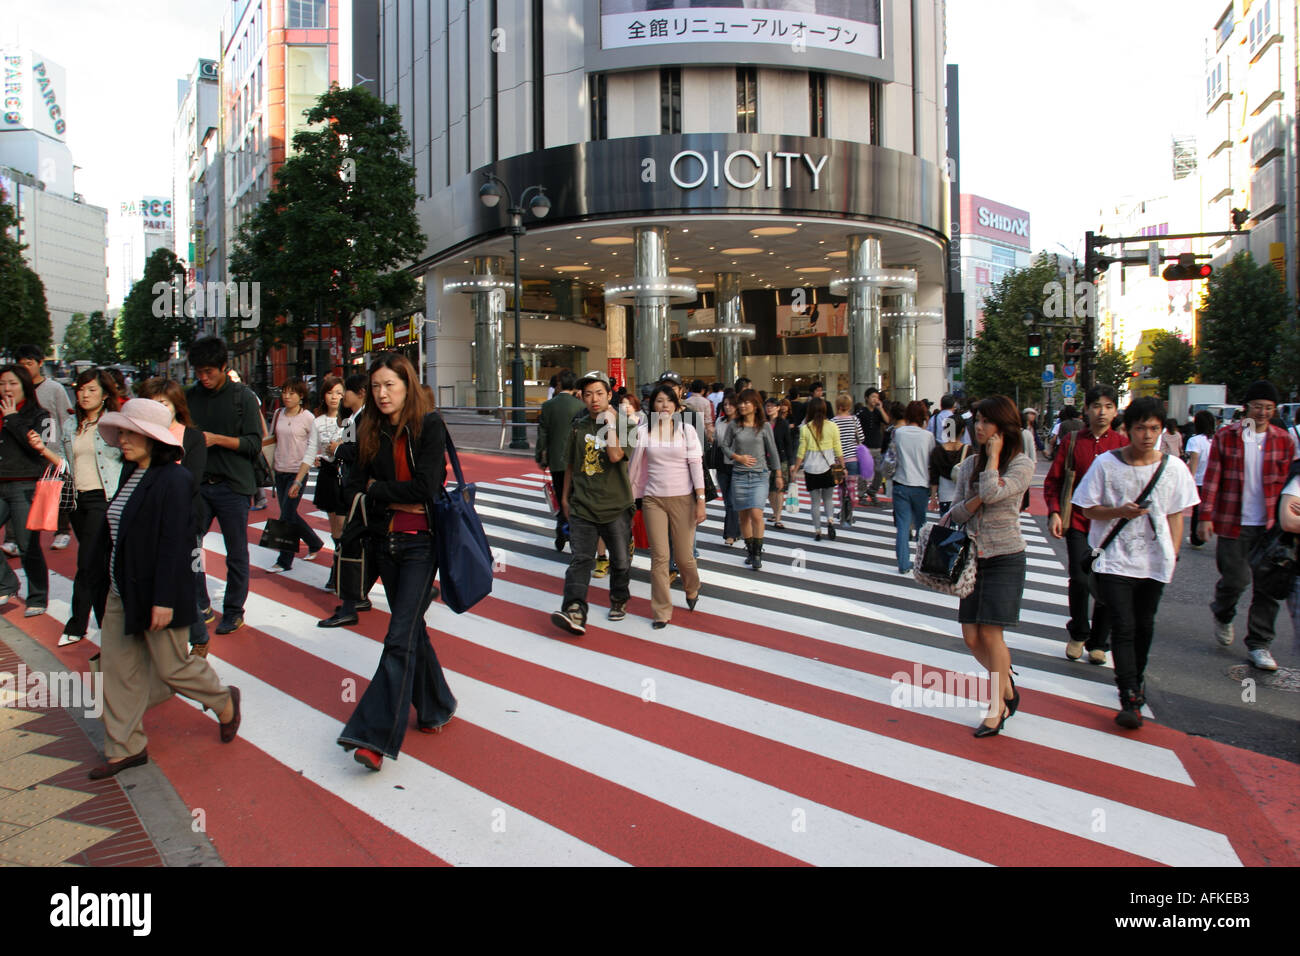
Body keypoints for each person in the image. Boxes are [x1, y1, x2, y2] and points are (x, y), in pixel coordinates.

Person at [88, 398, 240, 779]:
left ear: (151, 438)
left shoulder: (175, 479)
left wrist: (164, 600)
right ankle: (126, 748)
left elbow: (177, 543)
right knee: (117, 670)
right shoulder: (131, 474)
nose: (121, 439)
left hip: (158, 591)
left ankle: (223, 701)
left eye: (129, 432)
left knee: (174, 667)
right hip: (121, 589)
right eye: (120, 431)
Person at [336, 354, 457, 772]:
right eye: (375, 386)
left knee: (397, 636)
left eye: (390, 384)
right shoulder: (368, 426)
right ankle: (436, 704)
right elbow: (350, 484)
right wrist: (383, 491)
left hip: (422, 544)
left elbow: (426, 487)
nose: (382, 393)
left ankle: (372, 736)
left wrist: (376, 489)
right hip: (384, 543)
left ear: (407, 385)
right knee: (411, 631)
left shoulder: (429, 425)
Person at [1073, 397, 1199, 729]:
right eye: (1140, 427)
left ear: (1162, 430)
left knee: (1145, 625)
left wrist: (1172, 554)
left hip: (1154, 562)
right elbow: (1087, 509)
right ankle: (1129, 694)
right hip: (1114, 559)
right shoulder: (1106, 465)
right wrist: (1120, 512)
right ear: (1127, 429)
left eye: (1154, 428)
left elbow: (1175, 515)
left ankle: (1136, 680)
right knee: (1124, 626)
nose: (1147, 435)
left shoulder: (1174, 469)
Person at [946, 395, 1035, 737]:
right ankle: (1008, 687)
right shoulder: (969, 464)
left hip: (1006, 556)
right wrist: (980, 492)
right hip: (972, 557)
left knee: (991, 633)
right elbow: (955, 512)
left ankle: (996, 708)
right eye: (977, 421)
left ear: (1003, 427)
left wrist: (994, 460)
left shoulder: (1021, 464)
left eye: (987, 422)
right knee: (971, 637)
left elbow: (995, 494)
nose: (979, 428)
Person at [1198, 380, 1296, 671]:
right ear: (1246, 407)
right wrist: (1205, 516)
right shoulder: (1226, 437)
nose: (1263, 412)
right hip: (1232, 520)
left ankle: (1259, 643)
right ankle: (1223, 611)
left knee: (1268, 587)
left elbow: (1290, 483)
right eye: (1257, 406)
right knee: (1236, 580)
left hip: (1270, 525)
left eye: (1268, 407)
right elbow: (1213, 478)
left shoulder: (1283, 440)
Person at [1043, 385, 1127, 664]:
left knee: (1106, 581)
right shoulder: (1072, 441)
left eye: (1107, 406)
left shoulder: (1123, 445)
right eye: (1096, 406)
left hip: (1112, 526)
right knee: (1080, 578)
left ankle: (1100, 641)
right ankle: (1078, 632)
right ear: (1086, 410)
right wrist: (1055, 512)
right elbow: (1054, 480)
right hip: (1078, 520)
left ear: (1115, 411)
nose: (1101, 412)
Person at [551, 370, 635, 635]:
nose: (593, 399)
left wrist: (609, 423)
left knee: (620, 561)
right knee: (580, 560)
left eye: (599, 393)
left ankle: (619, 598)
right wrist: (565, 497)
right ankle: (575, 609)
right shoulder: (578, 426)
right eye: (587, 394)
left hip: (616, 505)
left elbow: (614, 455)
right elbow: (572, 464)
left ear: (610, 395)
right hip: (582, 505)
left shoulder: (627, 425)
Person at [134, 378, 210, 656]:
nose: (158, 409)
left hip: (185, 520)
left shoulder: (192, 437)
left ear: (176, 405)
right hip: (147, 520)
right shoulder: (140, 437)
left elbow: (193, 481)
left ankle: (199, 636)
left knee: (184, 579)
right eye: (152, 403)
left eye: (163, 403)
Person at [56, 370, 124, 646]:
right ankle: (106, 619)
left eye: (91, 390)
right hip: (76, 500)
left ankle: (76, 624)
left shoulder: (113, 423)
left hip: (103, 498)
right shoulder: (71, 423)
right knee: (96, 562)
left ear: (106, 394)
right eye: (81, 389)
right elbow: (63, 459)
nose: (84, 395)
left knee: (85, 562)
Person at [629, 384, 705, 626]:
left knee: (684, 557)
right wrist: (631, 500)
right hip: (653, 500)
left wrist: (701, 501)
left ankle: (692, 586)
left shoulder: (687, 430)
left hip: (684, 499)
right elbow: (635, 469)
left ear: (676, 405)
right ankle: (661, 610)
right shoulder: (643, 431)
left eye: (668, 401)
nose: (663, 406)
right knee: (659, 557)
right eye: (659, 401)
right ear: (652, 406)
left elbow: (696, 465)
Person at [320, 374, 378, 628]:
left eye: (347, 392)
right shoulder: (355, 418)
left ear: (360, 393)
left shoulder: (365, 417)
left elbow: (358, 450)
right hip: (356, 489)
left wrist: (337, 449)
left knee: (352, 543)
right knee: (367, 545)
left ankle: (350, 603)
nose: (343, 397)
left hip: (360, 490)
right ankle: (355, 599)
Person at [0, 365, 57, 616]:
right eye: (2, 384)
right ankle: (7, 582)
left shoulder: (41, 414)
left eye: (12, 383)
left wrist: (12, 418)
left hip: (26, 485)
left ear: (24, 386)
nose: (6, 389)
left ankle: (37, 597)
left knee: (27, 545)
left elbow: (39, 447)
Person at [289, 375, 347, 590]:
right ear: (324, 395)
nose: (335, 397)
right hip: (327, 476)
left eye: (339, 393)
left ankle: (339, 571)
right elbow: (310, 452)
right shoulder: (318, 421)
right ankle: (338, 566)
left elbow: (353, 450)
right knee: (335, 529)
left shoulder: (350, 421)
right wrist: (298, 480)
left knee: (343, 526)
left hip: (345, 476)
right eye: (331, 392)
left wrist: (340, 447)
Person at [15, 345, 74, 550]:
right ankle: (14, 538)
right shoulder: (17, 389)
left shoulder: (54, 389)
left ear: (40, 363)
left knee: (57, 487)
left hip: (52, 446)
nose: (25, 368)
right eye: (21, 364)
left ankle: (62, 530)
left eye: (29, 363)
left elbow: (65, 417)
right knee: (22, 492)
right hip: (26, 448)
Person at [265, 378, 325, 574]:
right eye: (284, 392)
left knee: (286, 517)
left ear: (301, 396)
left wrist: (312, 461)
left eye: (291, 393)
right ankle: (314, 542)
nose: (286, 396)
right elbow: (272, 439)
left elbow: (315, 443)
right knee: (289, 513)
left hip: (297, 472)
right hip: (280, 470)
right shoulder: (277, 414)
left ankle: (284, 560)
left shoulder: (308, 417)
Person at [722, 388, 782, 570]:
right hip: (739, 475)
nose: (742, 405)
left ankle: (757, 553)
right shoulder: (734, 425)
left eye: (746, 402)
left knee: (756, 514)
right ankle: (750, 550)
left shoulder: (763, 426)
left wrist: (778, 474)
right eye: (740, 402)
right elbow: (724, 446)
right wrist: (737, 457)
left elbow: (773, 451)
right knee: (744, 517)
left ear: (755, 405)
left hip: (760, 475)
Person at [536, 370, 585, 551]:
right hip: (578, 459)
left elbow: (543, 433)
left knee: (560, 495)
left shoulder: (549, 405)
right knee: (574, 496)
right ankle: (572, 533)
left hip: (557, 459)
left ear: (559, 384)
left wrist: (540, 455)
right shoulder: (580, 406)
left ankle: (561, 528)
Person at [889, 401, 937, 573]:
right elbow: (932, 463)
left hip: (901, 482)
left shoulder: (898, 433)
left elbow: (891, 456)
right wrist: (933, 491)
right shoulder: (928, 437)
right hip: (921, 485)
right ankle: (921, 561)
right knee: (921, 525)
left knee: (902, 526)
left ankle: (903, 564)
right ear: (923, 417)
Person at [792, 397, 842, 542]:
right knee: (828, 498)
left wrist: (795, 468)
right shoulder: (832, 426)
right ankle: (831, 521)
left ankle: (818, 530)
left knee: (814, 502)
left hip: (811, 469)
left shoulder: (805, 428)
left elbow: (801, 451)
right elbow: (837, 448)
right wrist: (842, 465)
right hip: (828, 467)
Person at [831, 394, 865, 527]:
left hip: (837, 460)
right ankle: (850, 512)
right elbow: (861, 438)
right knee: (851, 486)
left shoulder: (833, 421)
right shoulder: (854, 420)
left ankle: (842, 510)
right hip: (852, 458)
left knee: (840, 486)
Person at [713, 392, 742, 546]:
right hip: (722, 466)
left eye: (731, 404)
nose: (728, 407)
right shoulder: (720, 421)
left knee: (731, 501)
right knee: (728, 502)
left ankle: (730, 534)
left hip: (738, 465)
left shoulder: (742, 423)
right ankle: (736, 530)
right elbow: (717, 442)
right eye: (725, 404)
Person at [1185, 410, 1216, 548]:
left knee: (1197, 510)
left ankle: (1196, 538)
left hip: (1199, 480)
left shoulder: (1194, 440)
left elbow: (1194, 460)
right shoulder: (1215, 439)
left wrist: (1190, 479)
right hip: (1214, 480)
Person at [930, 415, 971, 517]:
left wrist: (933, 497)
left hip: (944, 495)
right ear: (962, 430)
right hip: (964, 496)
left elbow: (934, 476)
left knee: (946, 528)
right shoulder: (968, 451)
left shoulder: (937, 451)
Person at [856, 387, 891, 504]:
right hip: (865, 446)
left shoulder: (877, 411)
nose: (875, 399)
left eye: (877, 397)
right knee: (864, 472)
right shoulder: (861, 412)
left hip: (877, 445)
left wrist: (880, 409)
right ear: (867, 398)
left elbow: (887, 421)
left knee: (879, 471)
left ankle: (872, 490)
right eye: (873, 397)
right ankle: (862, 494)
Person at [765, 397, 795, 529]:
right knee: (769, 491)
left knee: (779, 489)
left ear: (778, 408)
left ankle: (778, 517)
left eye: (772, 406)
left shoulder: (783, 424)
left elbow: (788, 444)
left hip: (780, 459)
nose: (769, 408)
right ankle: (774, 511)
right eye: (767, 406)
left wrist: (791, 462)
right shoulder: (762, 422)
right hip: (765, 460)